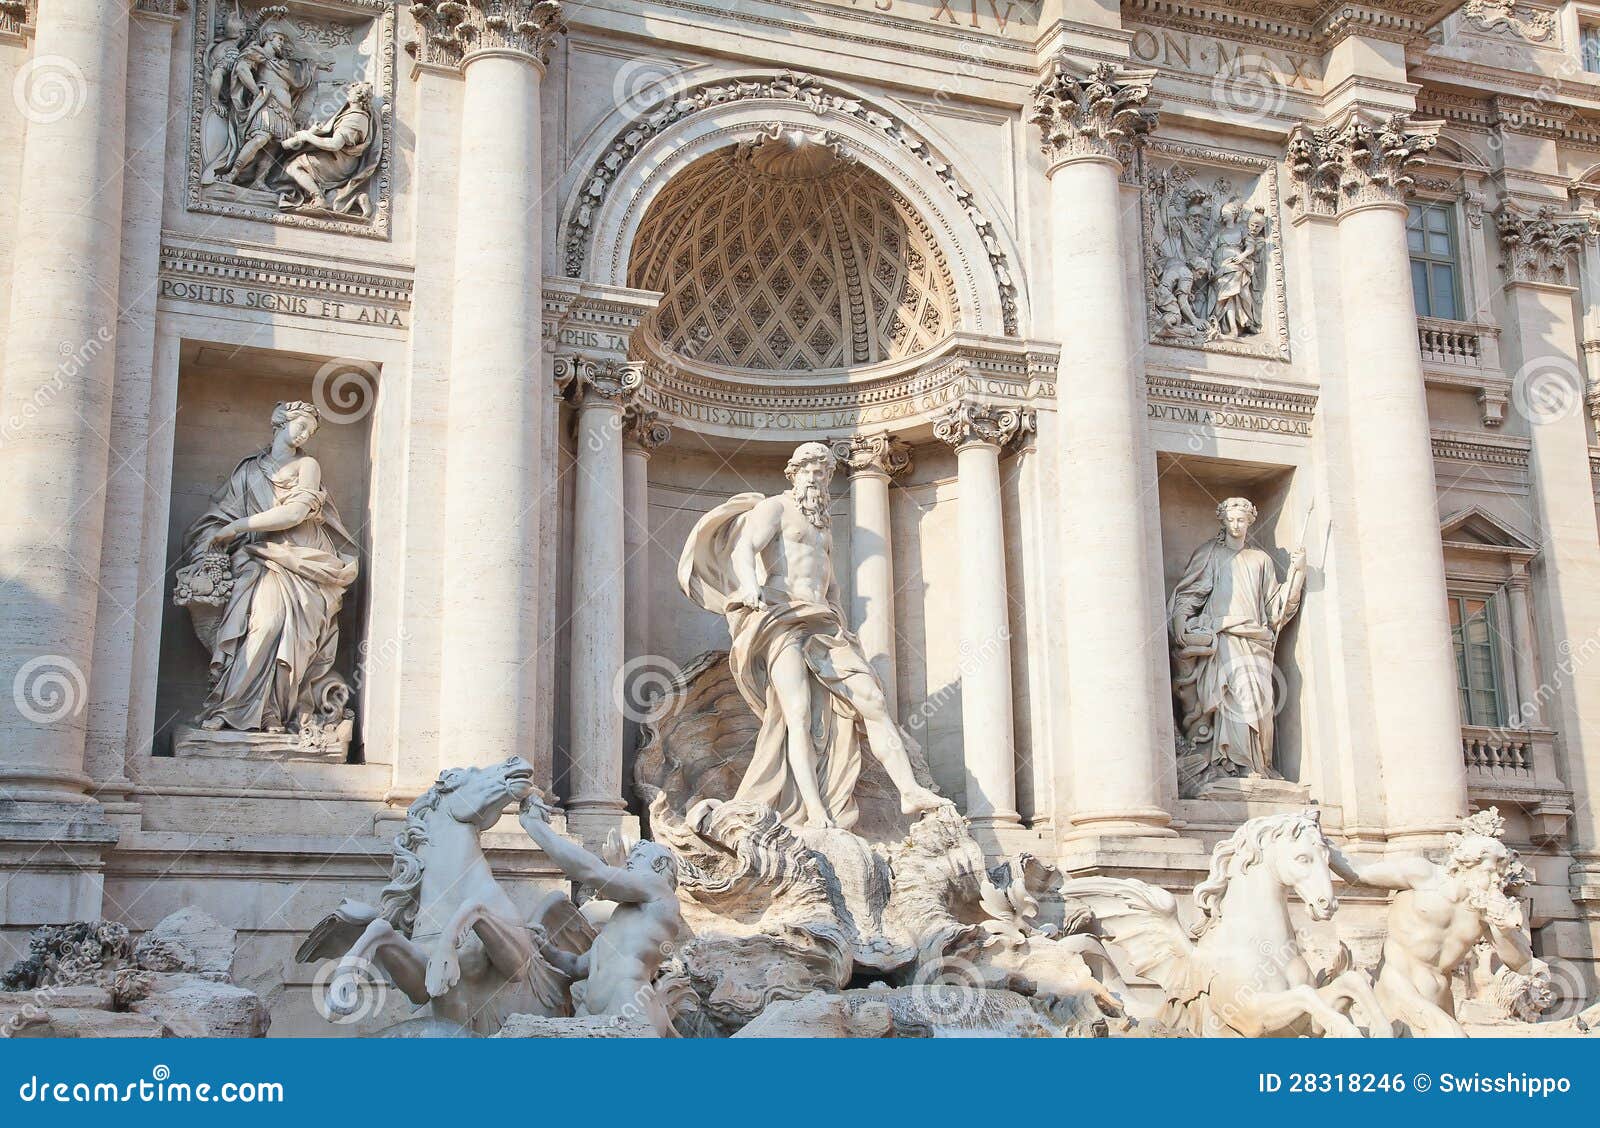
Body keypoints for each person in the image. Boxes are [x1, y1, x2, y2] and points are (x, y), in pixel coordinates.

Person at [678, 442, 944, 830]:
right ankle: (814, 810)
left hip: (823, 622)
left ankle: (908, 790)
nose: (817, 479)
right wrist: (750, 586)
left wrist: (840, 619)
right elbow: (743, 550)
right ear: (795, 473)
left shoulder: (823, 525)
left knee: (872, 700)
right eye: (811, 471)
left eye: (824, 473)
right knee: (797, 714)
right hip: (781, 616)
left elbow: (829, 582)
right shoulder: (775, 507)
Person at [179, 402, 358, 733]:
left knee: (286, 632)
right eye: (300, 426)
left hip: (301, 561)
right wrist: (214, 539)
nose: (304, 435)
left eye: (310, 431)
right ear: (280, 422)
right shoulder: (249, 471)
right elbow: (222, 514)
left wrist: (237, 527)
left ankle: (273, 712)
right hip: (257, 558)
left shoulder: (308, 465)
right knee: (266, 624)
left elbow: (294, 514)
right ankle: (229, 708)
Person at [1329, 808, 1547, 1036]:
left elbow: (1521, 964)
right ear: (1466, 865)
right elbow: (1359, 873)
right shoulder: (1424, 875)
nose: (1496, 881)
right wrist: (1317, 839)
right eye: (1489, 872)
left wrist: (1505, 930)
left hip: (1440, 998)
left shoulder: (1485, 910)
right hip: (1399, 986)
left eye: (1500, 875)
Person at [517, 792, 685, 1037]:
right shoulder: (625, 916)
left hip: (627, 1004)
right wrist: (545, 947)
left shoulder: (659, 891)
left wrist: (536, 827)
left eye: (636, 858)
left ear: (658, 865)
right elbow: (576, 966)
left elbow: (594, 873)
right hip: (589, 1010)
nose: (629, 863)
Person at [1168, 497, 1305, 782]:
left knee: (1256, 704)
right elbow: (1190, 595)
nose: (1236, 525)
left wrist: (1297, 574)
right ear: (1222, 520)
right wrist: (1181, 621)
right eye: (1230, 519)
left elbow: (1275, 609)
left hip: (1255, 642)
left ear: (1250, 521)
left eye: (1241, 520)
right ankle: (1226, 764)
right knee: (1230, 700)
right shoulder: (1209, 554)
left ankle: (1256, 765)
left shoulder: (1261, 560)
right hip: (1224, 640)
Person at [279, 82, 382, 215]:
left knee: (294, 167)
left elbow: (334, 144)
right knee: (296, 173)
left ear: (358, 96)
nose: (348, 92)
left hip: (340, 163)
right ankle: (355, 199)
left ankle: (319, 199)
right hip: (340, 159)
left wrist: (307, 136)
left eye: (352, 90)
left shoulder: (355, 118)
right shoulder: (352, 114)